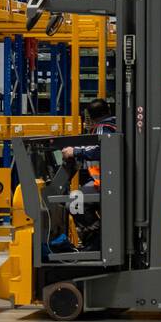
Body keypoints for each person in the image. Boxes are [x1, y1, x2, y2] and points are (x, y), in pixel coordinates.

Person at [56, 98, 116, 250]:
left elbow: (100, 148)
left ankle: (96, 240)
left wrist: (75, 151)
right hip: (104, 181)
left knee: (74, 202)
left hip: (106, 183)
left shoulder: (103, 127)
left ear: (90, 116)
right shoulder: (114, 123)